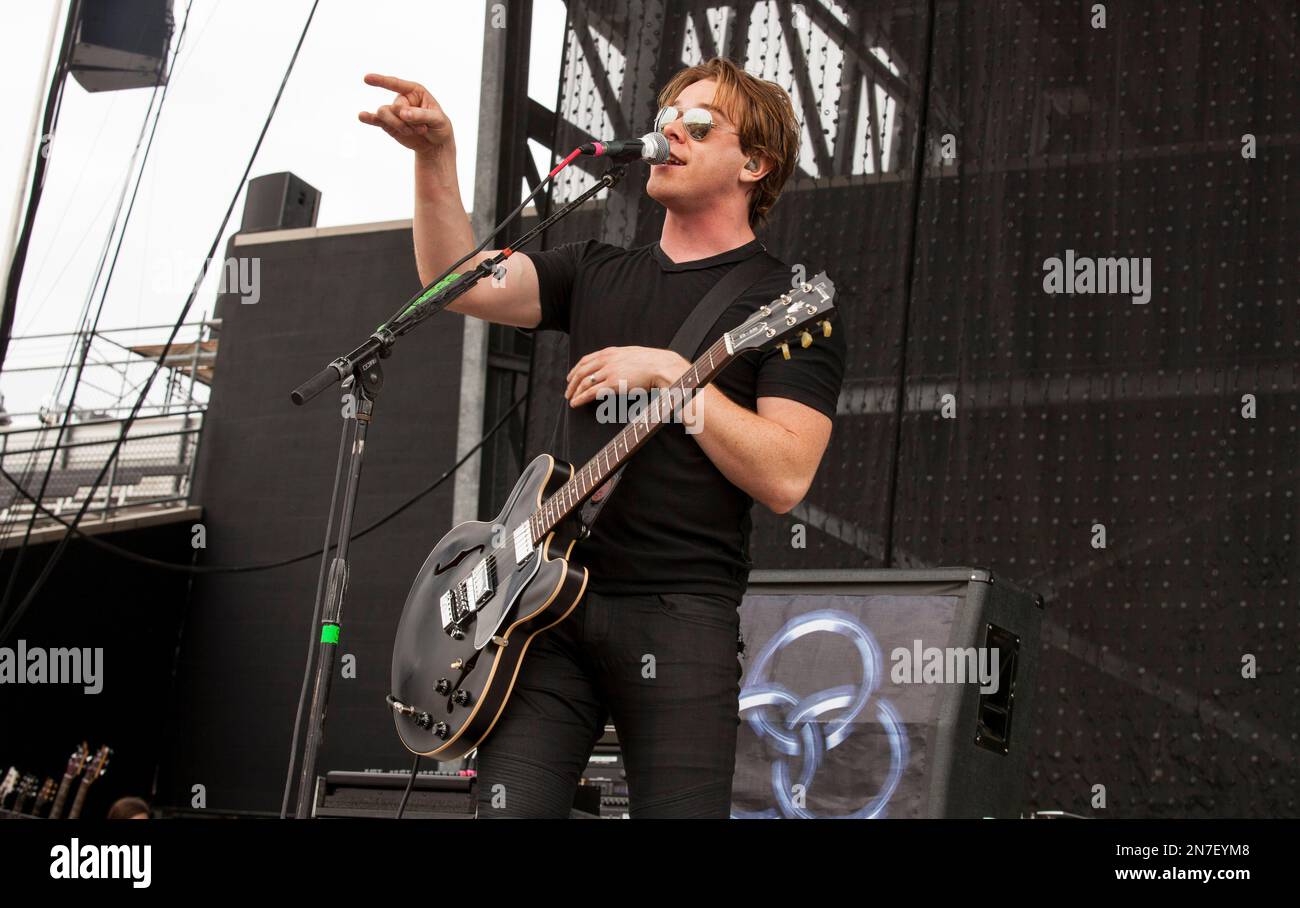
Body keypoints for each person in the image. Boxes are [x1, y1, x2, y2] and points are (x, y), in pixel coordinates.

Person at [361, 56, 847, 818]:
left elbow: (786, 473)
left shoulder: (785, 303)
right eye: (664, 122)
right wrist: (434, 157)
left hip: (680, 612)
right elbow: (453, 283)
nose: (668, 135)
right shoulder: (593, 267)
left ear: (754, 163)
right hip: (543, 612)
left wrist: (676, 378)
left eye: (696, 124)